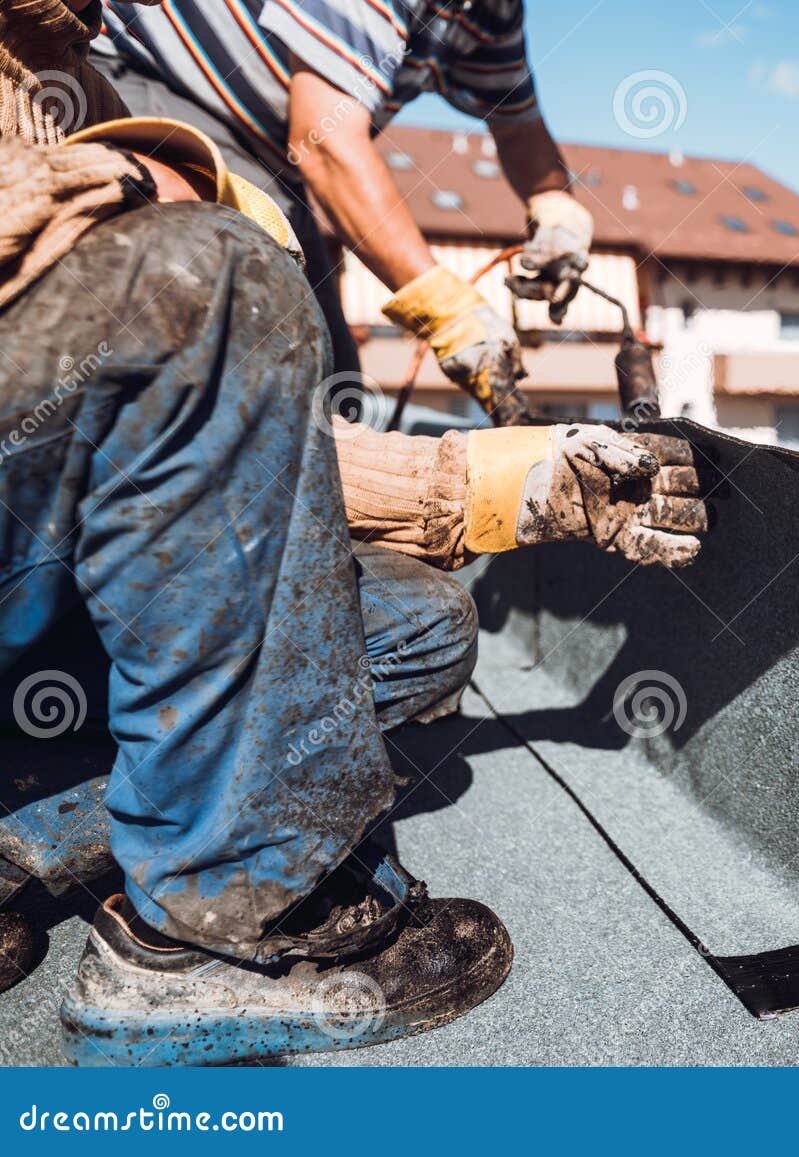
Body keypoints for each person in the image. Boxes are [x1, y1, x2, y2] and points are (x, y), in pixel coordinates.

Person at [0, 0, 705, 1066]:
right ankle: (205, 938)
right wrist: (438, 307)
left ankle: (26, 821)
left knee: (411, 624)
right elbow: (321, 144)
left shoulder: (67, 60)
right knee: (215, 272)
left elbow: (196, 426)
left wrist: (503, 484)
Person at [95, 0, 595, 426]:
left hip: (270, 157)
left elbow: (517, 126)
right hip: (150, 80)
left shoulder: (492, 12)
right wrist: (450, 313)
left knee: (334, 386)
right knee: (283, 354)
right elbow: (326, 147)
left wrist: (557, 208)